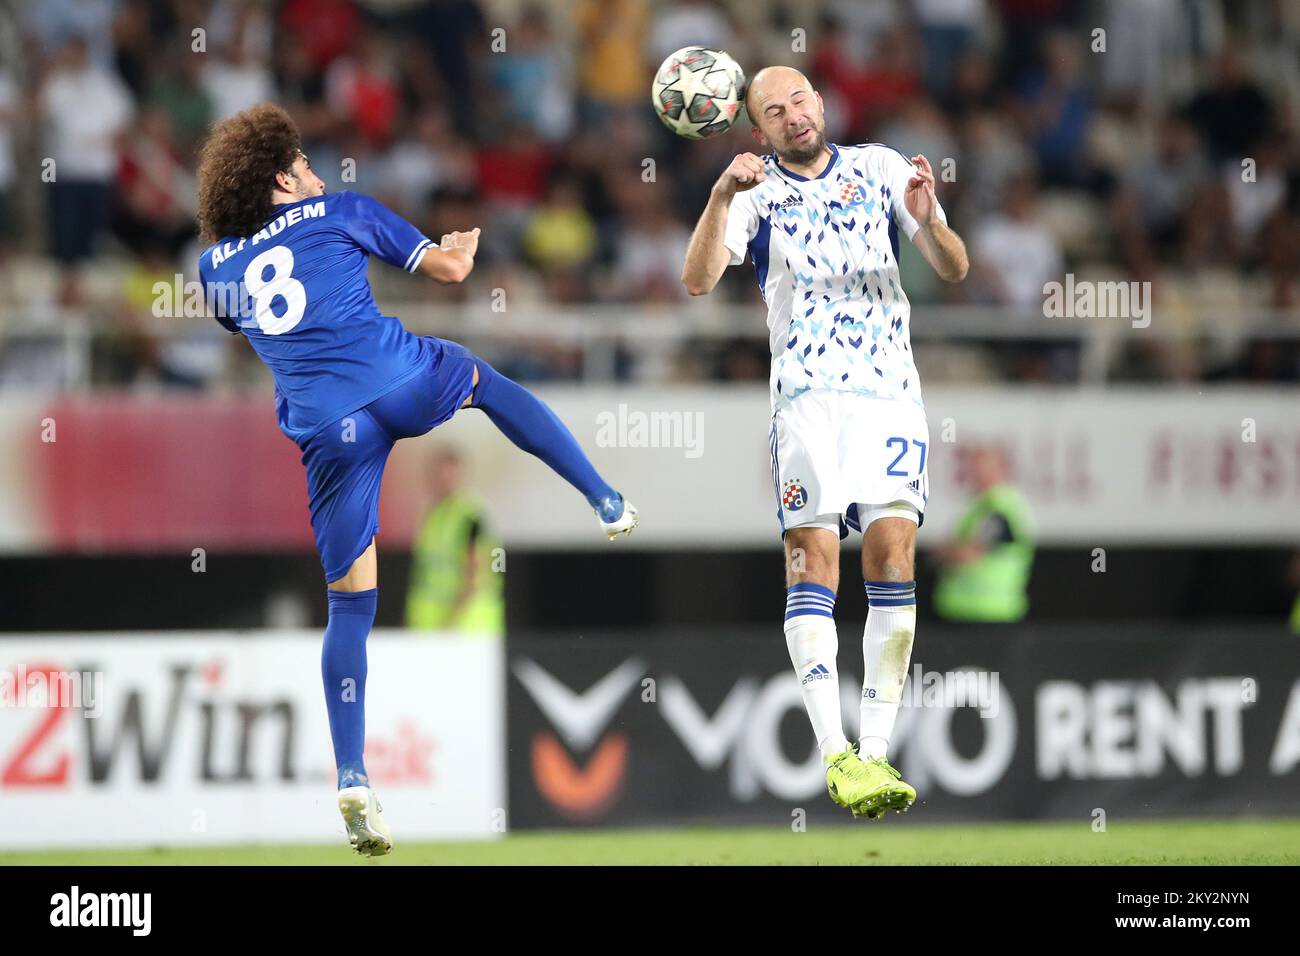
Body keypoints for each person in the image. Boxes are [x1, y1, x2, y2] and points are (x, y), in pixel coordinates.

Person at [195, 104, 637, 856]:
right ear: (282, 176)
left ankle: (352, 775)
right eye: (304, 164)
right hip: (400, 381)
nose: (317, 173)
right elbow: (450, 270)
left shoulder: (213, 269)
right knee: (487, 382)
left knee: (350, 608)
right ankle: (603, 495)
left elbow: (263, 333)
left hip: (329, 437)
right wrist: (458, 245)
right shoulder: (342, 211)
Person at [681, 66, 968, 820]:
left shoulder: (879, 167)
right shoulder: (751, 192)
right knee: (812, 560)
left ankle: (874, 753)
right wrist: (719, 198)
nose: (793, 116)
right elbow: (698, 280)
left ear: (820, 102)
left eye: (800, 100)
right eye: (774, 111)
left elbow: (954, 267)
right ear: (758, 129)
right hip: (806, 402)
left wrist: (931, 220)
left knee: (893, 553)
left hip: (890, 398)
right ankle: (834, 751)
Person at [405, 447, 504, 638]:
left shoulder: (470, 516)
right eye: (437, 476)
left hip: (465, 626)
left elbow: (476, 574)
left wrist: (451, 622)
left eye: (448, 476)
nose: (442, 482)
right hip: (431, 626)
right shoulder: (432, 514)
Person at [933, 446, 1034, 622]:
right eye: (973, 467)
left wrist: (948, 552)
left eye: (982, 467)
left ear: (1001, 469)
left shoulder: (1000, 509)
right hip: (964, 613)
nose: (976, 473)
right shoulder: (977, 506)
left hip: (989, 616)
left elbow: (967, 555)